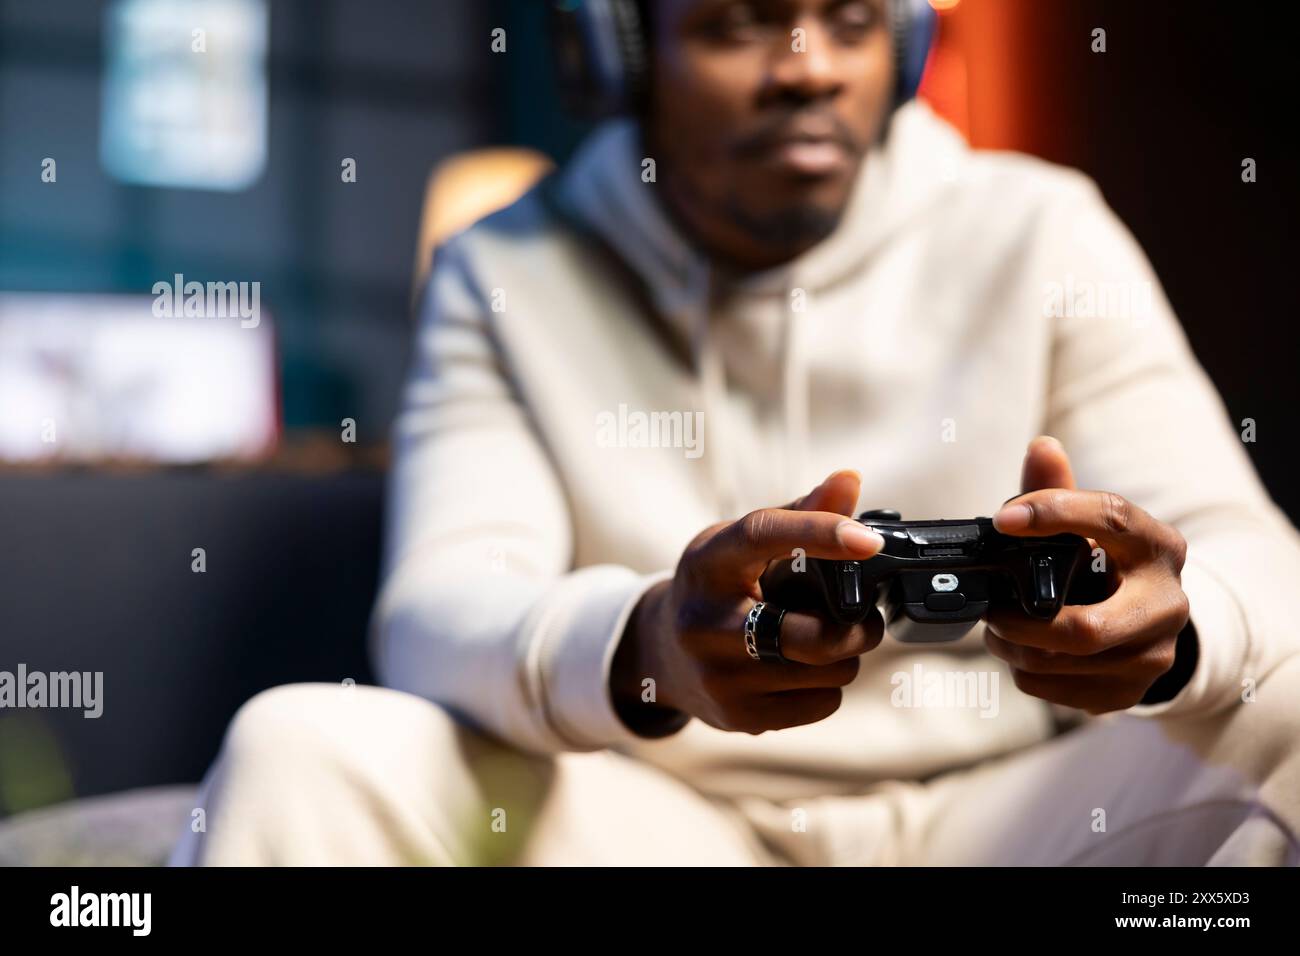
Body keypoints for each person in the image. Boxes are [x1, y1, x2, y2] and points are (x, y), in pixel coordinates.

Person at [172, 0, 1300, 866]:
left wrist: (1173, 633)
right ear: (620, 51)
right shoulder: (503, 272)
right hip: (664, 825)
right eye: (737, 24)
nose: (809, 68)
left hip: (1013, 823)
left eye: (851, 21)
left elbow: (1261, 565)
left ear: (906, 43)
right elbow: (440, 611)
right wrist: (647, 644)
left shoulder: (1041, 228)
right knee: (301, 747)